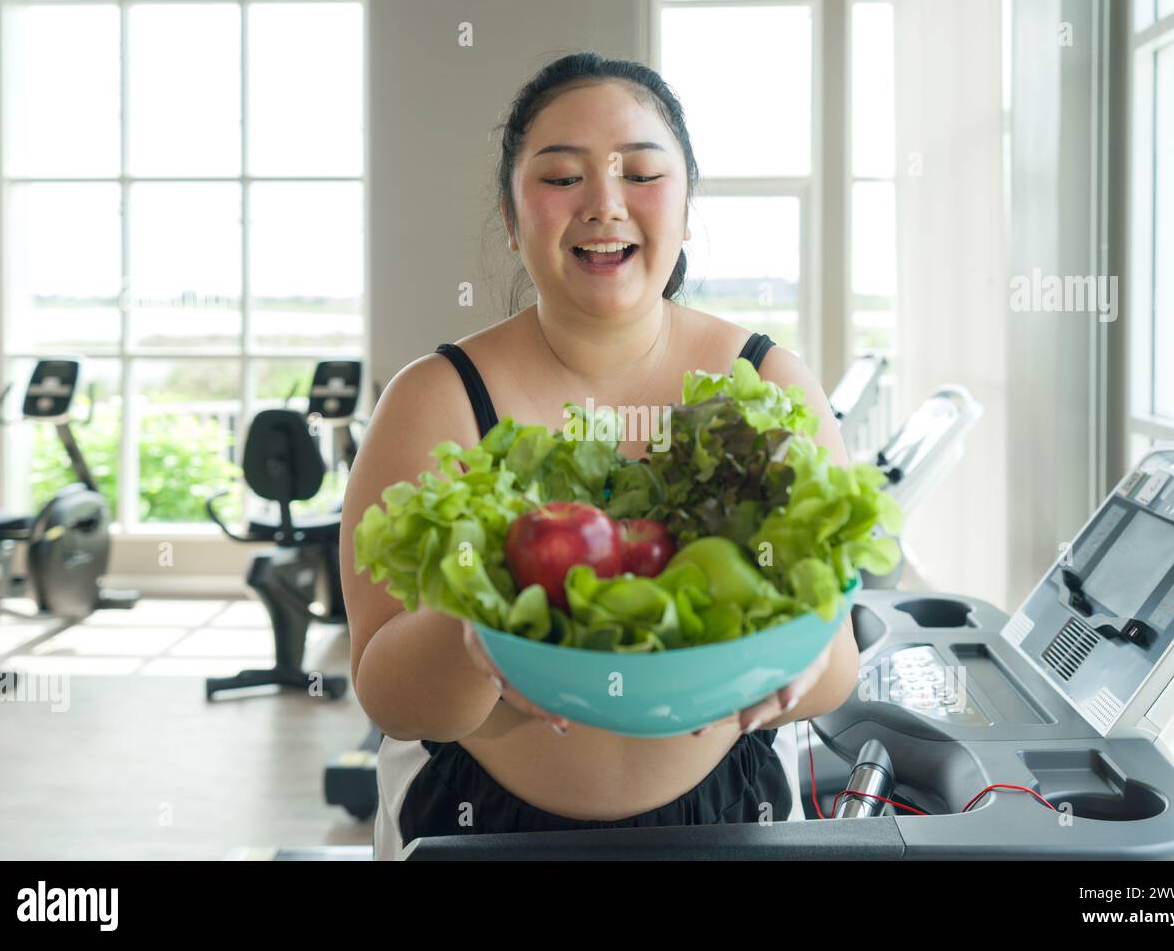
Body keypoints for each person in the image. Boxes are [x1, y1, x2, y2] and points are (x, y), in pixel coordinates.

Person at [341, 52, 859, 859]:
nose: (604, 204)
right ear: (512, 221)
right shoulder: (437, 397)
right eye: (560, 179)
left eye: (643, 172)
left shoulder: (769, 384)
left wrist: (794, 652)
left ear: (687, 210)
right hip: (473, 825)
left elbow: (836, 672)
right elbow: (386, 692)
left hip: (727, 816)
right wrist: (473, 633)